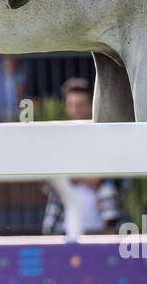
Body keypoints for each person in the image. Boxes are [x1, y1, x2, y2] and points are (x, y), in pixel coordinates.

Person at [40, 77, 123, 240]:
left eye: (80, 105)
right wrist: (89, 178)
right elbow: (47, 182)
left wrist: (73, 176)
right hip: (61, 225)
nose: (76, 110)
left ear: (91, 104)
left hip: (103, 224)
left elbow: (119, 178)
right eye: (71, 105)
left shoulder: (103, 138)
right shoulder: (58, 139)